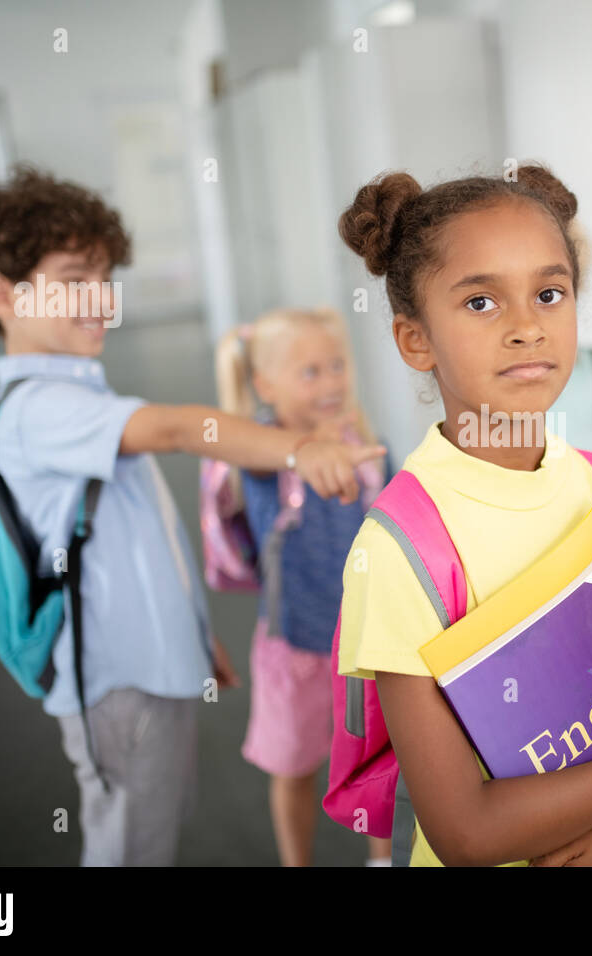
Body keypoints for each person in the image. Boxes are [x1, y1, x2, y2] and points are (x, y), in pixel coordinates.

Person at [0, 165, 383, 865]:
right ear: (1, 293)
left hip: (145, 668)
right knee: (131, 846)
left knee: (152, 827)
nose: (100, 300)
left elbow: (138, 547)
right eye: (75, 279)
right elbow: (179, 430)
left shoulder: (73, 398)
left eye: (104, 279)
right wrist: (298, 449)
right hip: (118, 686)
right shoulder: (42, 410)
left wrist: (194, 635)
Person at [335, 163, 592, 866]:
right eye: (481, 303)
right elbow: (466, 835)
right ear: (416, 339)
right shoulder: (403, 548)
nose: (527, 328)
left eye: (549, 293)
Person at [212, 307, 393, 866]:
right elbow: (235, 447)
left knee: (377, 766)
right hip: (295, 652)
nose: (331, 381)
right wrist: (303, 449)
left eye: (336, 366)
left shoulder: (367, 444)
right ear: (265, 386)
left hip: (369, 648)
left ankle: (382, 859)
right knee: (294, 770)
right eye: (309, 372)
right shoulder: (266, 457)